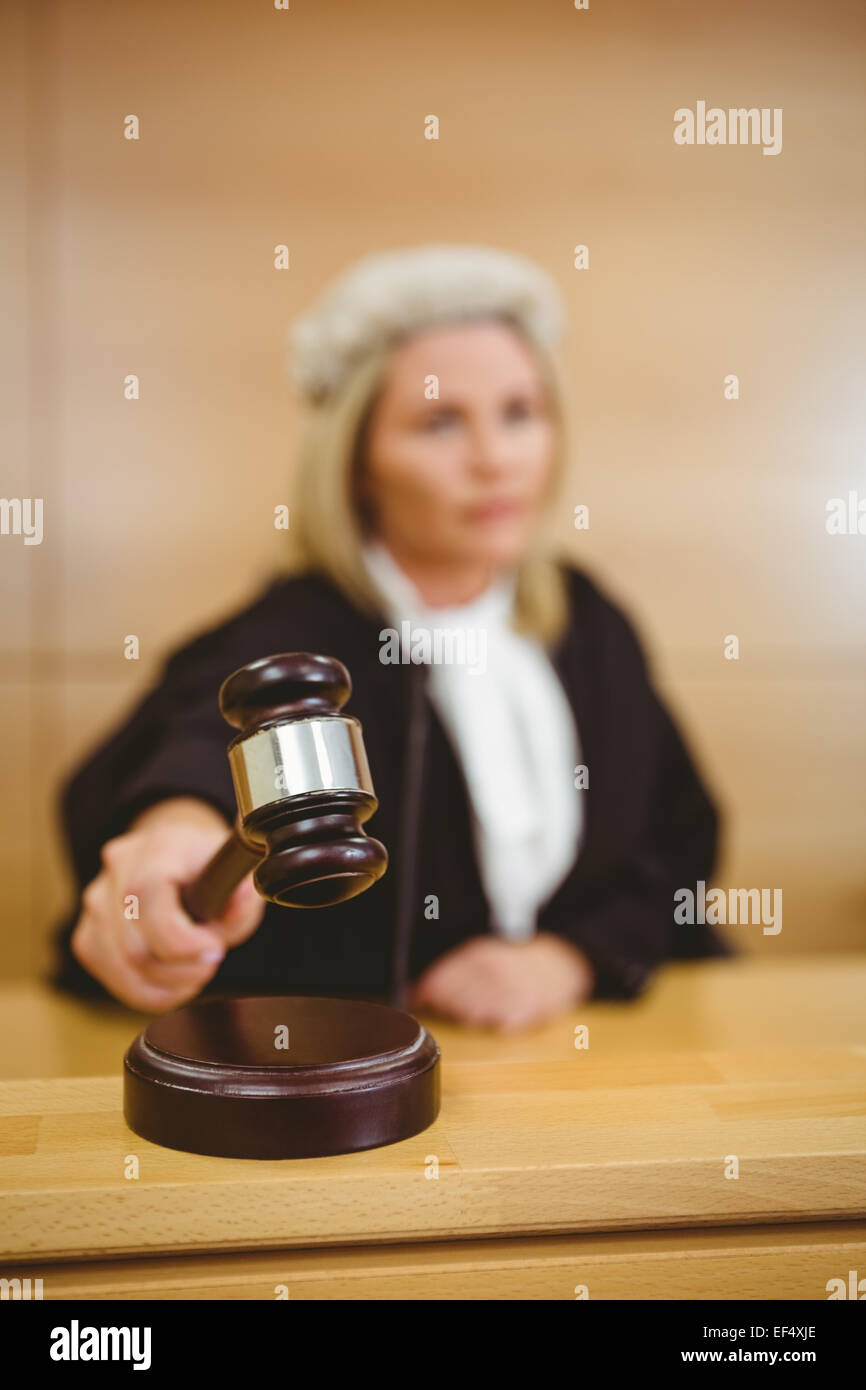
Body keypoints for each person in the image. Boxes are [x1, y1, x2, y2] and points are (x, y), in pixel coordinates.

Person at [52, 243, 729, 1031]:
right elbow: (205, 741)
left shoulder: (589, 620)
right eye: (441, 422)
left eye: (521, 413)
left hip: (600, 1068)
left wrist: (568, 956)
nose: (495, 459)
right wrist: (175, 838)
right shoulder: (298, 630)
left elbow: (677, 842)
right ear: (358, 461)